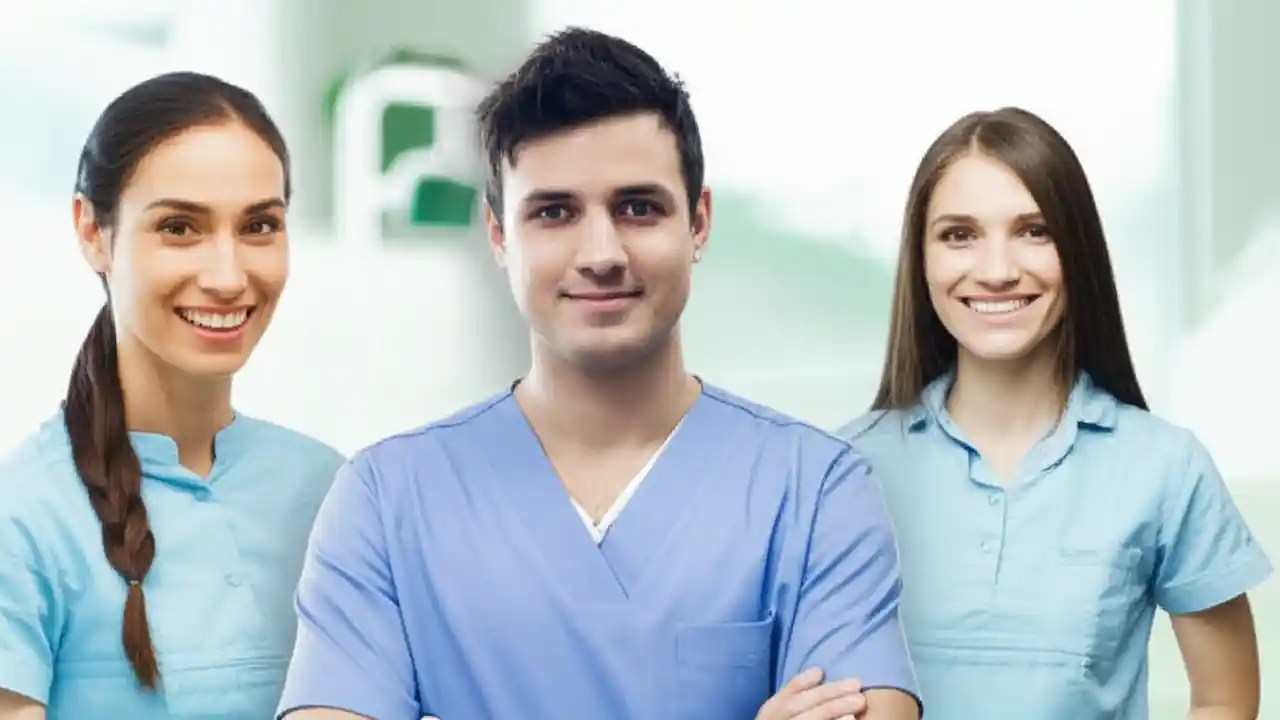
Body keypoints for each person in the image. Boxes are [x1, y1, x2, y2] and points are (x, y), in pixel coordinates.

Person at [276, 27, 922, 720]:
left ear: (698, 222)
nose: (601, 252)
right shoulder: (385, 501)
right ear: (499, 235)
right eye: (554, 213)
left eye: (638, 208)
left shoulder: (815, 491)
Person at [839, 106, 1271, 719]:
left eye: (1034, 230)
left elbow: (1225, 703)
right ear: (922, 259)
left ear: (1078, 250)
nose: (996, 271)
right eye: (959, 234)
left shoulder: (1165, 467)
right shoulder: (843, 468)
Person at [0, 72, 345, 719]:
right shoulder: (21, 520)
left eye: (260, 225)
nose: (227, 275)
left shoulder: (337, 491)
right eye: (180, 227)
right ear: (91, 230)